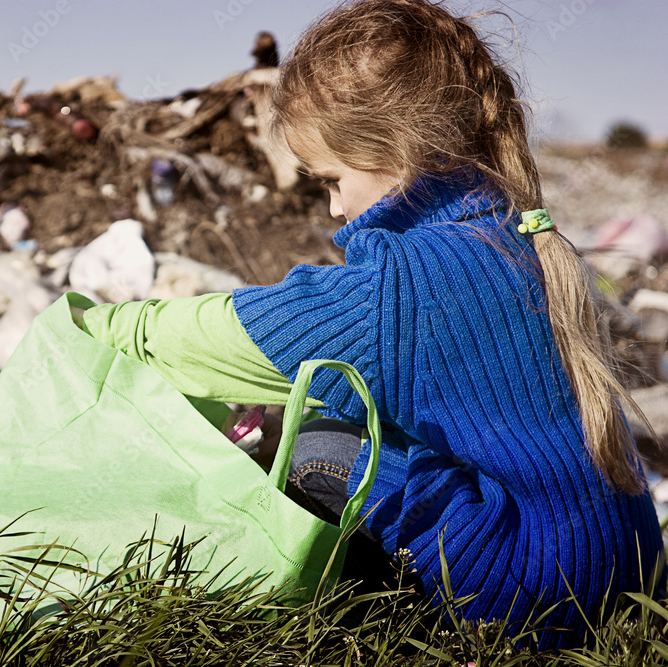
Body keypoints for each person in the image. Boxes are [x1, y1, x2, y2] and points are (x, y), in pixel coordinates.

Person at [76, 0, 665, 650]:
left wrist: (92, 327)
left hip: (528, 592)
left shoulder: (403, 285)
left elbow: (214, 339)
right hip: (624, 563)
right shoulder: (509, 231)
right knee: (361, 416)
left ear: (400, 151)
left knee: (301, 435)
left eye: (332, 179)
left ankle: (370, 612)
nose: (333, 208)